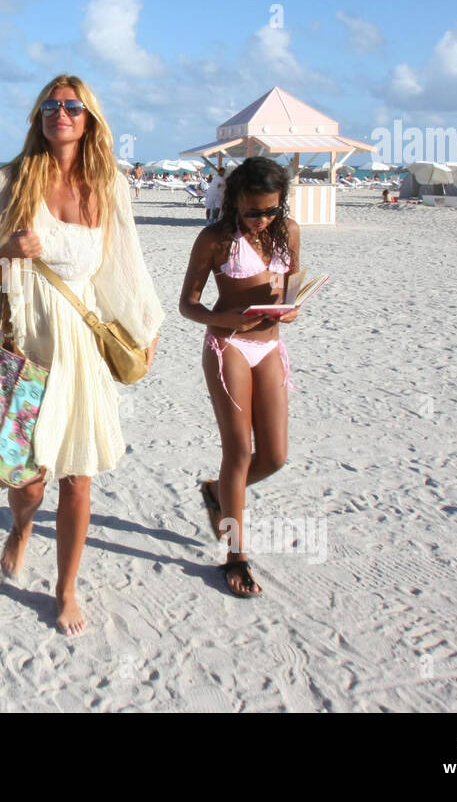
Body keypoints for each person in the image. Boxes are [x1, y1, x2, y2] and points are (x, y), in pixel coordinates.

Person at [0, 74, 164, 635]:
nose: (62, 113)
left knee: (77, 477)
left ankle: (66, 588)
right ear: (38, 116)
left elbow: (125, 264)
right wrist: (10, 252)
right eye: (51, 105)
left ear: (89, 120)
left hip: (79, 346)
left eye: (73, 106)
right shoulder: (5, 183)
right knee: (26, 479)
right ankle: (21, 527)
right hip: (26, 341)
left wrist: (144, 327)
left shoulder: (109, 185)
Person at [177, 156, 299, 598]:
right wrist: (224, 318)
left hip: (269, 346)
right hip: (227, 345)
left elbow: (290, 286)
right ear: (234, 202)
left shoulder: (288, 231)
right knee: (239, 452)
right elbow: (188, 305)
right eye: (252, 211)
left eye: (271, 210)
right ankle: (235, 555)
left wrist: (291, 308)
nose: (262, 219)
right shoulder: (215, 239)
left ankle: (217, 493)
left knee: (276, 456)